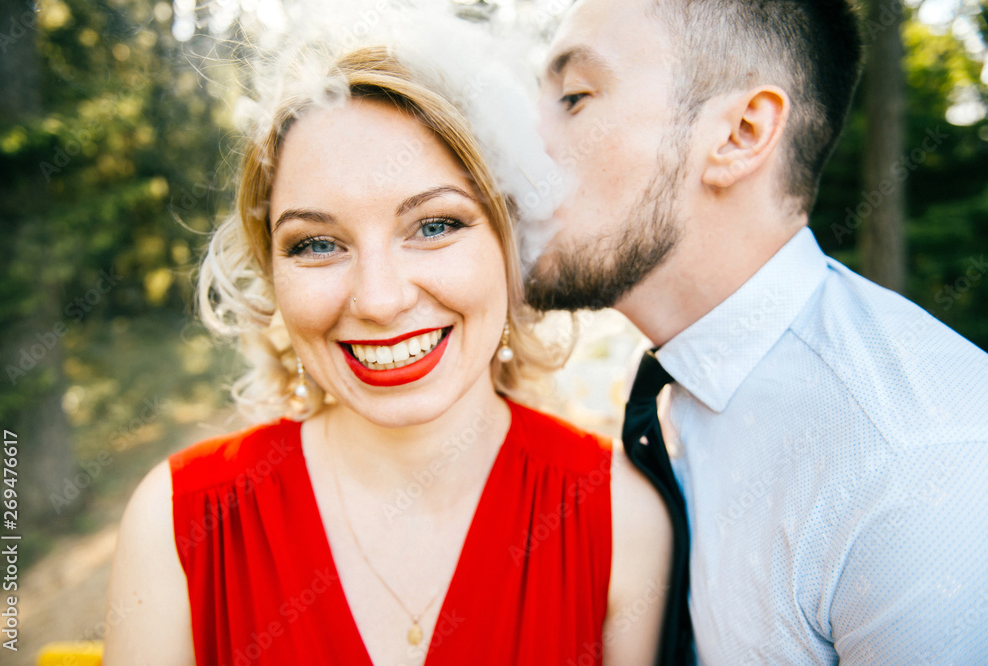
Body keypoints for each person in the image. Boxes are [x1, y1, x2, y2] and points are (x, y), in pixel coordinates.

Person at [103, 38, 674, 665]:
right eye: (317, 243)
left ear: (514, 248)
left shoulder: (621, 523)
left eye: (434, 226)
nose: (378, 299)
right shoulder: (179, 524)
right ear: (271, 276)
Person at [530, 0, 988, 663]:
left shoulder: (916, 458)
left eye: (573, 98)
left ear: (740, 134)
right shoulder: (656, 393)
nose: (518, 146)